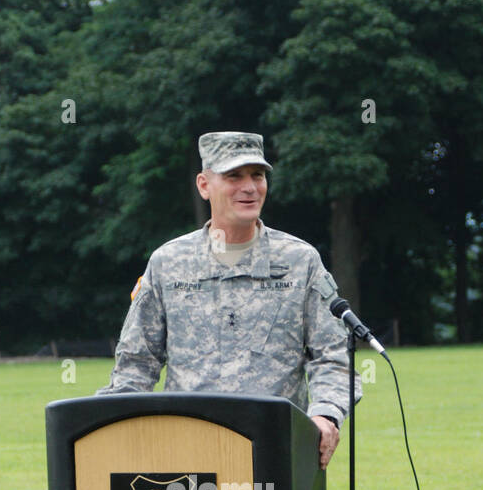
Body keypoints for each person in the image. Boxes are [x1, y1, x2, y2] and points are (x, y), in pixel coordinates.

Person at [95, 131, 361, 468]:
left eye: (257, 175)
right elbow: (136, 364)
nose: (249, 187)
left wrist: (326, 415)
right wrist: (114, 424)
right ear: (204, 185)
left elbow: (334, 356)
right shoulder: (169, 263)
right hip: (187, 459)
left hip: (276, 454)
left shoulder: (300, 261)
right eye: (234, 176)